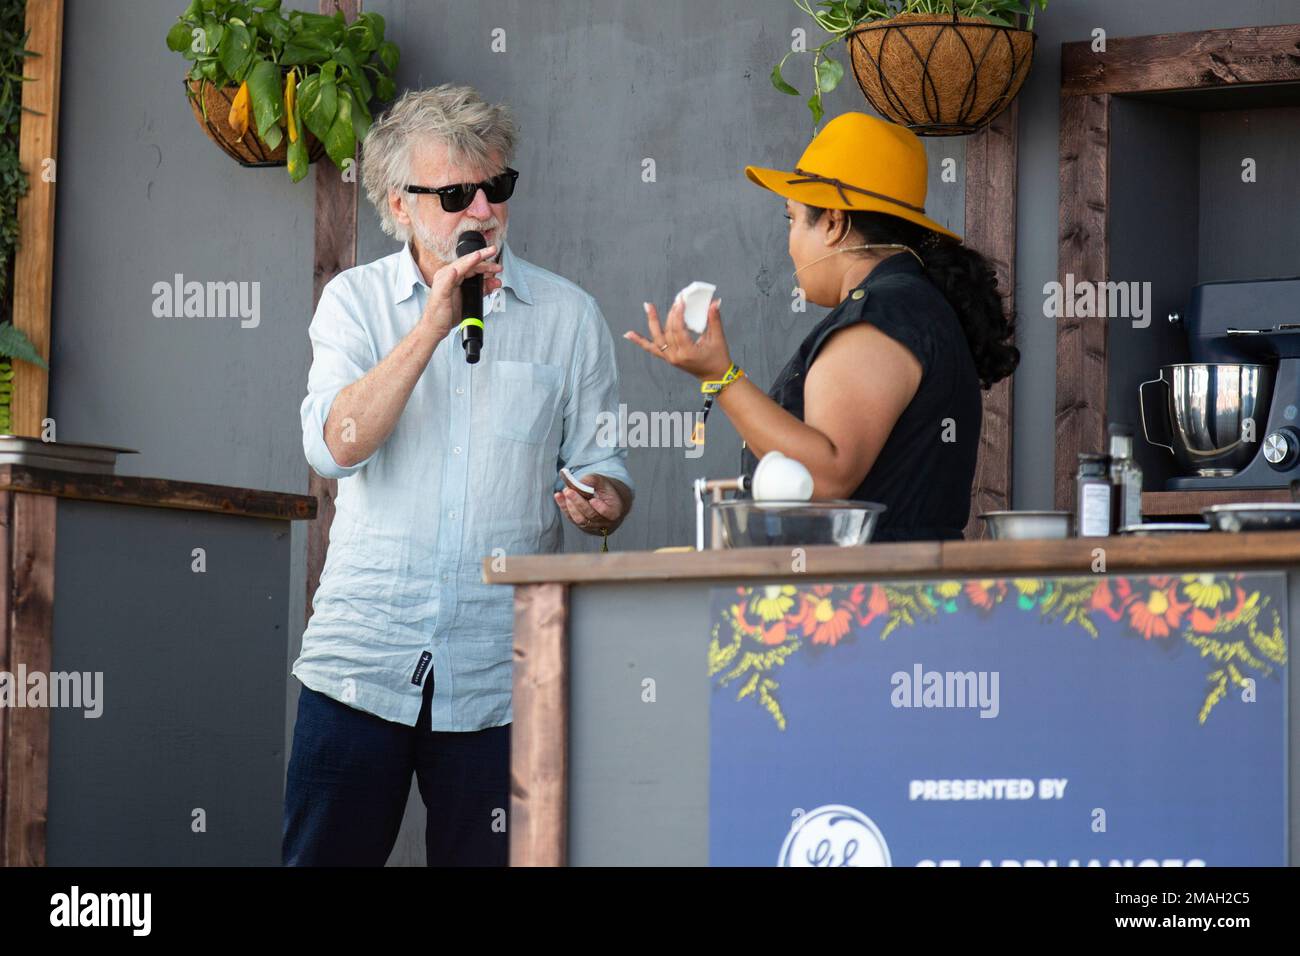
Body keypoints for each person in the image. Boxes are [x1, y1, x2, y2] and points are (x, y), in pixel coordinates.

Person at [285, 84, 634, 866]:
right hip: (362, 662)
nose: (482, 210)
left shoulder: (569, 316)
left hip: (500, 677)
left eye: (496, 187)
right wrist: (431, 327)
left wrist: (603, 504)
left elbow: (605, 472)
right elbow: (334, 447)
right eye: (454, 195)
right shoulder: (354, 303)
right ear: (398, 205)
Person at [626, 111, 1018, 541]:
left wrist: (721, 377)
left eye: (791, 219)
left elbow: (825, 477)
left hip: (873, 583)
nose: (789, 244)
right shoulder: (908, 304)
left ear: (833, 223)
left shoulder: (883, 316)